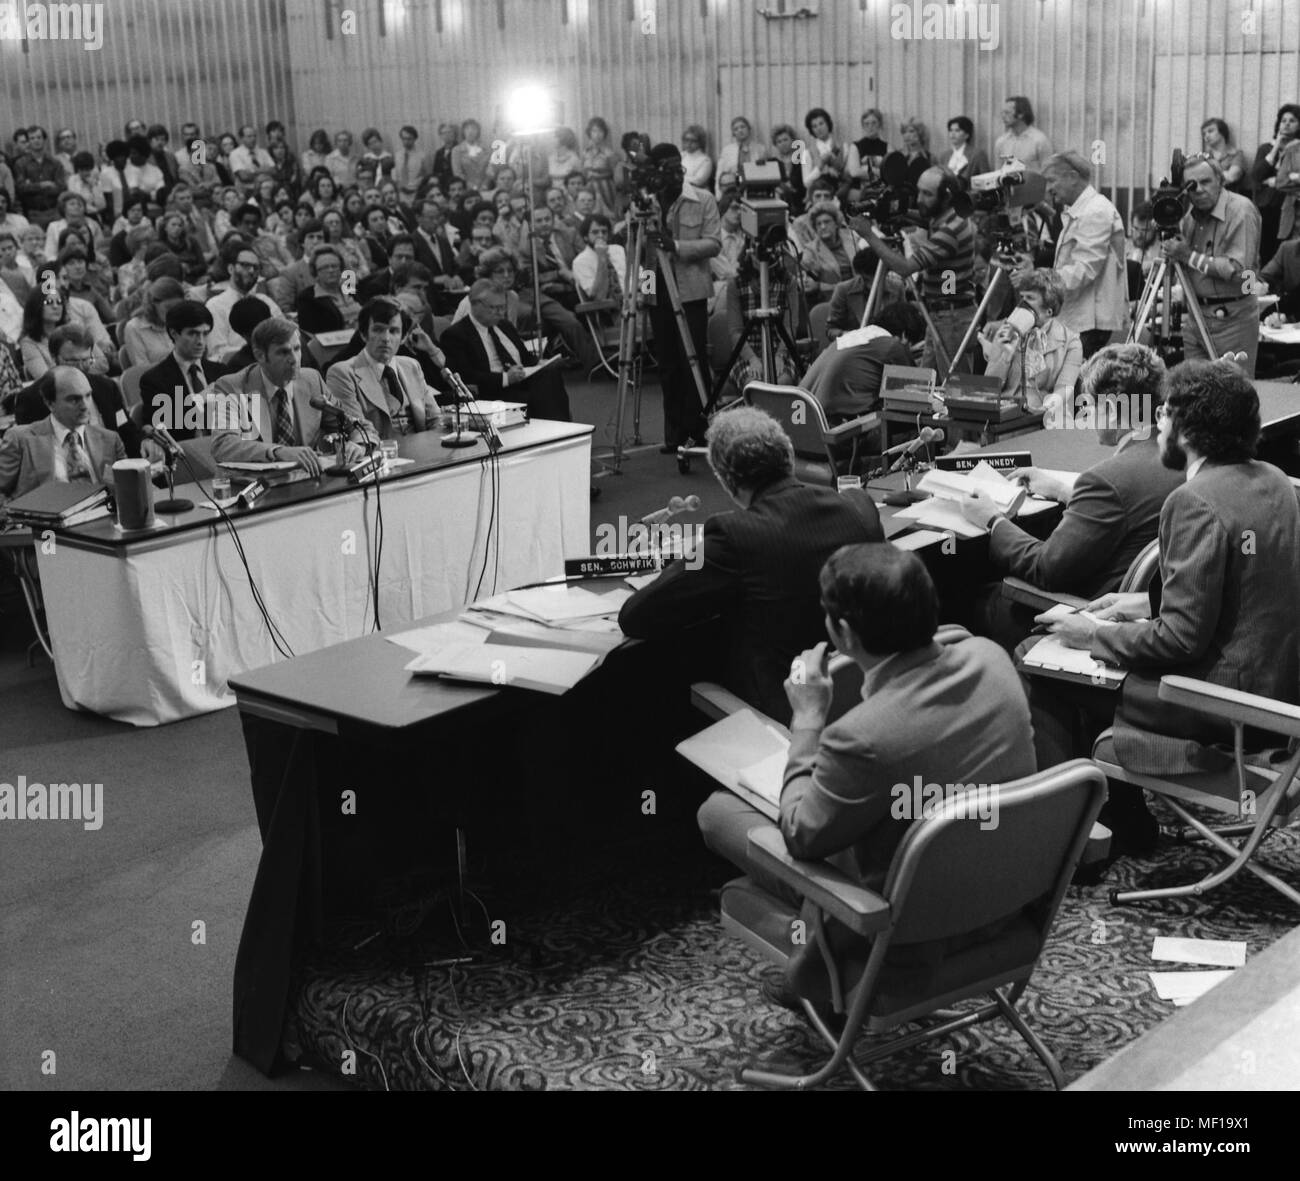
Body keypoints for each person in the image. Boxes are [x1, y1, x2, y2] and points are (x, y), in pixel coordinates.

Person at [695, 544, 1035, 1008]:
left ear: (843, 633)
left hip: (900, 932)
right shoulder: (992, 657)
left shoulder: (858, 738)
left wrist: (809, 719)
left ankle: (821, 971)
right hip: (1004, 901)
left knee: (717, 813)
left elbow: (801, 838)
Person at [1026, 361, 1300, 851]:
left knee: (1036, 660)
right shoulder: (1276, 479)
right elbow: (1248, 589)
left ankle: (1075, 839)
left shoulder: (1192, 499)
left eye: (1165, 414)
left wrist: (1091, 635)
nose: (1157, 423)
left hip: (1212, 706)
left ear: (1190, 429)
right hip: (1276, 689)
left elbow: (1179, 639)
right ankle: (1120, 816)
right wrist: (1141, 602)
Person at [619, 406, 884, 725]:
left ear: (726, 481)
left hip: (786, 713)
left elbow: (636, 616)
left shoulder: (733, 537)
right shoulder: (859, 507)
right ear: (788, 454)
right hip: (872, 697)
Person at [961, 344, 1184, 646]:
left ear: (1111, 407)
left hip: (1086, 615)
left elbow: (1046, 570)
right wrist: (1066, 492)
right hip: (1146, 611)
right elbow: (1129, 507)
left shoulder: (1106, 480)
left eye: (1089, 405)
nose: (1086, 414)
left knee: (972, 599)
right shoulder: (1182, 459)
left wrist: (992, 520)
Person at [209, 317, 371, 474]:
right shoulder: (231, 386)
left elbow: (357, 425)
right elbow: (223, 444)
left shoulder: (312, 380)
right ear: (260, 356)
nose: (294, 359)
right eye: (283, 352)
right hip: (257, 487)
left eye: (297, 349)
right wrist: (278, 452)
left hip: (308, 483)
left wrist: (359, 444)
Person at [852, 167, 976, 373]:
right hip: (942, 313)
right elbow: (926, 218)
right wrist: (893, 210)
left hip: (952, 318)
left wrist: (869, 235)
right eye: (918, 192)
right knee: (923, 383)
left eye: (927, 194)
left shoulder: (950, 230)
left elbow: (904, 268)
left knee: (954, 389)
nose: (919, 199)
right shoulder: (949, 215)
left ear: (946, 197)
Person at [642, 143, 720, 451]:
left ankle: (698, 431)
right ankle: (673, 433)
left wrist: (675, 247)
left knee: (694, 362)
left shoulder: (703, 199)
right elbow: (643, 257)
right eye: (668, 169)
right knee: (668, 365)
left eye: (679, 167)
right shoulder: (646, 204)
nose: (675, 174)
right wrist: (643, 293)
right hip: (657, 292)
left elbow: (714, 243)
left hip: (691, 292)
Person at [1163, 155, 1261, 376]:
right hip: (1196, 317)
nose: (1198, 189)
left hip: (1233, 318)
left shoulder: (1240, 210)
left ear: (1220, 179)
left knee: (1232, 391)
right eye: (1191, 185)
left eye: (1206, 181)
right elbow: (1183, 262)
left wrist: (1187, 255)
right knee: (1194, 391)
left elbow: (1239, 272)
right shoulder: (1191, 217)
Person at [1034, 151, 1128, 358]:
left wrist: (1039, 281)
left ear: (1072, 177)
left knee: (1072, 384)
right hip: (1078, 317)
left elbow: (1084, 270)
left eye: (1051, 180)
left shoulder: (1095, 212)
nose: (1048, 189)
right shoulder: (1082, 210)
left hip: (1088, 321)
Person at [440, 279, 572, 422]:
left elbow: (526, 359)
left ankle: (560, 430)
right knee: (543, 393)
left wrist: (541, 363)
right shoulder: (456, 335)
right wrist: (506, 379)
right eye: (494, 308)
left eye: (503, 307)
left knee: (549, 374)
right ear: (475, 304)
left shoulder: (504, 326)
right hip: (492, 393)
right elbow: (464, 376)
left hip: (520, 382)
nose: (500, 313)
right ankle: (558, 431)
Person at [0, 365, 127, 507]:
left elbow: (128, 487)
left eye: (88, 396)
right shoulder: (21, 439)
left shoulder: (110, 440)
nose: (85, 406)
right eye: (74, 399)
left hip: (103, 520)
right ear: (50, 403)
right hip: (45, 525)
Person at [325, 296, 444, 439]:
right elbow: (359, 432)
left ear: (404, 337)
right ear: (363, 334)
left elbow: (435, 419)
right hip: (381, 455)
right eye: (378, 330)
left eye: (393, 331)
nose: (386, 338)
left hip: (424, 452)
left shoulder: (411, 366)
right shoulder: (342, 373)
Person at [13, 324, 141, 457]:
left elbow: (126, 431)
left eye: (86, 360)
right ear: (53, 357)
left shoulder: (107, 388)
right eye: (72, 361)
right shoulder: (31, 399)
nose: (80, 368)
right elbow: (31, 453)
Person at [977, 269, 1082, 414]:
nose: (1023, 304)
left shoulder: (1071, 342)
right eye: (1022, 297)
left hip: (1046, 418)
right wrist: (1003, 358)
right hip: (1007, 416)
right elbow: (988, 390)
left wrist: (1043, 409)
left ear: (1049, 311)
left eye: (1030, 298)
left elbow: (1064, 389)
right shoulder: (1008, 330)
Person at [802, 299, 923, 423]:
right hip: (837, 427)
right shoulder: (893, 345)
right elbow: (915, 398)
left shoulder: (851, 337)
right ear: (904, 335)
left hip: (804, 421)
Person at [139, 300, 227, 441]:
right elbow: (164, 431)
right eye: (193, 334)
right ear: (174, 333)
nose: (201, 341)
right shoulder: (154, 380)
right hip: (185, 454)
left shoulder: (221, 372)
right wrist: (199, 400)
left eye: (205, 333)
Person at [206, 243, 280, 363]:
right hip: (235, 368)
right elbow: (217, 353)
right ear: (230, 268)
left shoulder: (266, 301)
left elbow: (285, 334)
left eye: (256, 267)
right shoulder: (215, 305)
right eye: (245, 265)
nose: (251, 271)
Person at [1251, 104, 1300, 271]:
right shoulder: (1266, 148)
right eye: (1283, 120)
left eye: (1292, 121)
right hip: (1265, 207)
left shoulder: (1297, 150)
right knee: (1262, 250)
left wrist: (1275, 181)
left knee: (1283, 251)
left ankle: (1279, 291)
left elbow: (1285, 181)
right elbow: (1256, 177)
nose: (1286, 124)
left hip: (1288, 207)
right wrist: (1275, 149)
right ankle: (1257, 287)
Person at [295, 244, 361, 335]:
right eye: (325, 267)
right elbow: (309, 336)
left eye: (334, 266)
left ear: (341, 268)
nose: (331, 270)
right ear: (316, 272)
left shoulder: (351, 289)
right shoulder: (307, 298)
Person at [800, 206, 859, 304]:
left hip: (858, 296)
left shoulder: (852, 241)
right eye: (818, 224)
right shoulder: (811, 250)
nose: (823, 227)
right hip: (830, 300)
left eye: (826, 222)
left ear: (836, 224)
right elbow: (810, 285)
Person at [13, 126, 64, 229]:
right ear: (28, 142)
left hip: (54, 211)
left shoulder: (55, 163)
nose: (36, 141)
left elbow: (61, 187)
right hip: (32, 212)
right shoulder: (20, 164)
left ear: (44, 140)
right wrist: (42, 185)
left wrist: (31, 186)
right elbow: (21, 188)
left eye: (39, 137)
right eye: (32, 138)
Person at [572, 213, 628, 301]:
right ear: (585, 237)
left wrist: (643, 291)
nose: (601, 236)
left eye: (604, 232)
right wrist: (602, 258)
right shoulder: (580, 262)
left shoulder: (618, 249)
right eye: (595, 232)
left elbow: (639, 274)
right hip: (609, 308)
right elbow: (597, 296)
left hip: (633, 300)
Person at [994, 96, 1053, 173]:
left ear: (1021, 114)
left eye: (1007, 113)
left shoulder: (1039, 141)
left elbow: (1048, 171)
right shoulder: (1001, 142)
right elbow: (998, 171)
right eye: (1002, 113)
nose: (1003, 116)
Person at [715, 116, 767, 197]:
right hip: (732, 190)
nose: (740, 130)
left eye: (743, 127)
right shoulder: (727, 150)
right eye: (736, 129)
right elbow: (719, 174)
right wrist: (718, 195)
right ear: (733, 133)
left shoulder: (760, 149)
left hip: (754, 188)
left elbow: (765, 173)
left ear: (749, 129)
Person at [937, 116, 991, 187]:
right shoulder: (944, 156)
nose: (952, 134)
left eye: (957, 130)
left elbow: (986, 181)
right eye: (950, 130)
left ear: (967, 135)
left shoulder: (978, 154)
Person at [1200, 117, 1248, 195]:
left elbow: (1232, 177)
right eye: (1204, 134)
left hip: (1230, 198)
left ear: (1222, 132)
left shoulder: (1236, 154)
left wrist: (1206, 177)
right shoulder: (1203, 156)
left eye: (1210, 131)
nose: (1206, 136)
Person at [845, 109, 889, 191]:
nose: (870, 127)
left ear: (880, 124)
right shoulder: (855, 146)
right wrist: (879, 172)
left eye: (874, 123)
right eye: (866, 124)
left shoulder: (887, 147)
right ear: (862, 126)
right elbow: (854, 172)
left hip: (882, 191)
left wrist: (864, 168)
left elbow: (890, 174)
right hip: (860, 192)